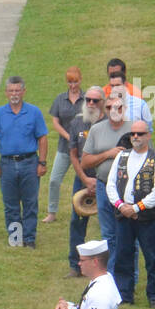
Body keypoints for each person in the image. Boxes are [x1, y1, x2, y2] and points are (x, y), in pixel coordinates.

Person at [107, 120, 155, 307]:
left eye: (140, 134)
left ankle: (154, 295)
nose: (135, 137)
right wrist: (120, 205)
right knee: (123, 255)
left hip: (146, 217)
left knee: (151, 257)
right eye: (133, 133)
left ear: (148, 135)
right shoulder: (121, 157)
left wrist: (135, 208)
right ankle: (124, 294)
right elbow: (110, 184)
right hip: (123, 214)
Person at [0, 76, 48, 248]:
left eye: (17, 90)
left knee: (30, 202)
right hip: (6, 164)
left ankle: (29, 239)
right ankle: (15, 238)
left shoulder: (34, 112)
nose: (14, 94)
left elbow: (42, 138)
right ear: (6, 93)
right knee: (11, 204)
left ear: (23, 91)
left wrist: (42, 163)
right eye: (11, 91)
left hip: (29, 162)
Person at [81, 92, 131, 272]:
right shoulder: (96, 130)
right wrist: (107, 154)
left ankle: (129, 277)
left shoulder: (135, 129)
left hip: (128, 190)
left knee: (129, 235)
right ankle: (111, 277)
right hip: (103, 187)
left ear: (124, 108)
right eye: (109, 107)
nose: (113, 111)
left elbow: (150, 159)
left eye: (117, 107)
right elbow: (84, 162)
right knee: (109, 235)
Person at [66, 86, 106, 277]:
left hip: (105, 181)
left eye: (95, 100)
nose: (90, 103)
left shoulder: (110, 123)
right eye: (87, 99)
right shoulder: (77, 123)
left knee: (108, 222)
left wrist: (97, 181)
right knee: (76, 221)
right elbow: (73, 154)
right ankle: (76, 265)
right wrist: (84, 178)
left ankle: (107, 266)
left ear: (103, 103)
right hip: (82, 177)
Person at [44, 67, 83, 223]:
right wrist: (68, 136)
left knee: (86, 179)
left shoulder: (88, 99)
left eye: (75, 81)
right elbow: (55, 122)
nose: (72, 85)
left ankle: (89, 207)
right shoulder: (60, 99)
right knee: (54, 179)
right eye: (69, 82)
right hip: (64, 147)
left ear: (80, 80)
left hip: (83, 148)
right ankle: (52, 212)